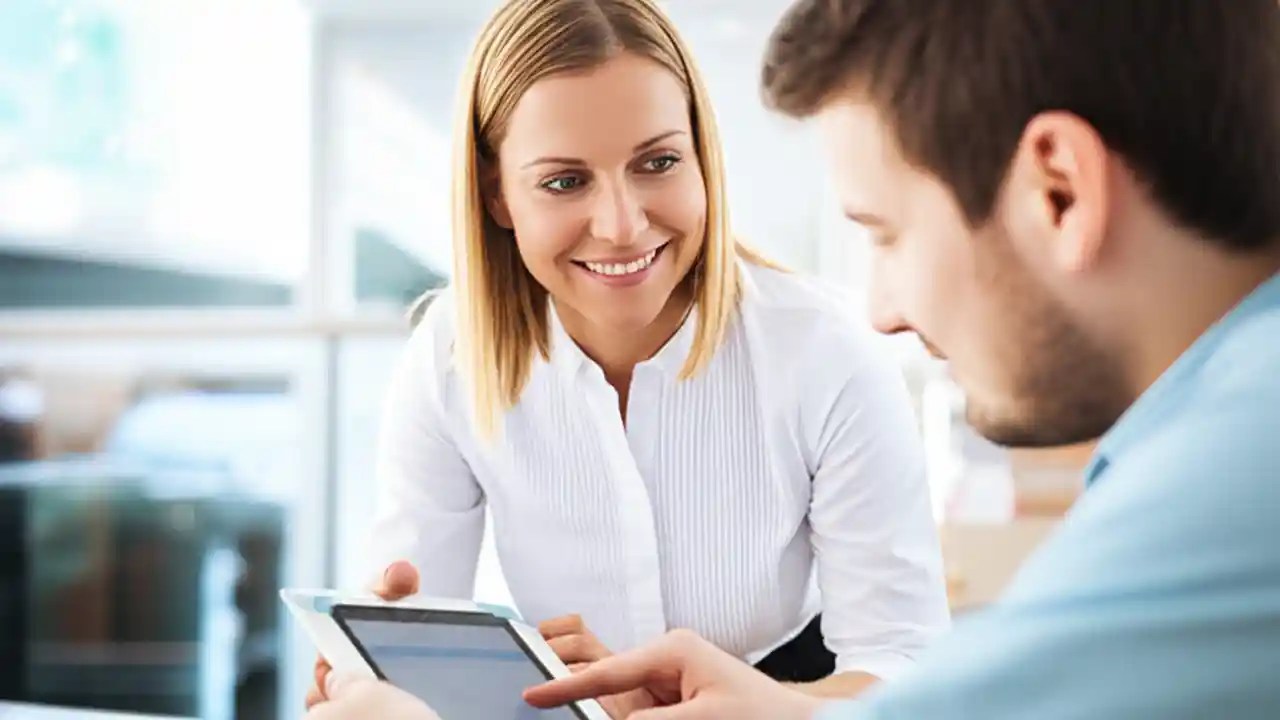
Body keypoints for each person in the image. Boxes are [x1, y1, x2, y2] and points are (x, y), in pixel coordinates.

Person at [312, 0, 1280, 717]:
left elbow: (944, 696)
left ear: (1058, 192)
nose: (885, 312)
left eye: (885, 232)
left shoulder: (1238, 467)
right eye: (563, 180)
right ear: (496, 196)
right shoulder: (1210, 429)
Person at [306, 0, 949, 711]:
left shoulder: (825, 353)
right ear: (497, 195)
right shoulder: (448, 358)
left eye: (658, 162)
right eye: (563, 181)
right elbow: (416, 626)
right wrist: (380, 664)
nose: (620, 225)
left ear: (702, 157)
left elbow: (907, 674)